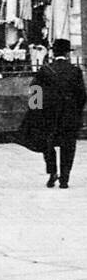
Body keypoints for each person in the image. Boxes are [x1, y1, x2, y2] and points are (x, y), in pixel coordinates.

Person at [32, 38, 87, 188]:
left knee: (48, 144)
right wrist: (77, 112)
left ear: (53, 53)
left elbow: (35, 91)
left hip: (49, 115)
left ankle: (52, 172)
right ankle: (65, 179)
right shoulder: (75, 71)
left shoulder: (45, 70)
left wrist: (35, 111)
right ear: (67, 54)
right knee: (68, 146)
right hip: (70, 115)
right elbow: (82, 95)